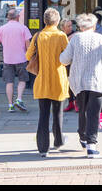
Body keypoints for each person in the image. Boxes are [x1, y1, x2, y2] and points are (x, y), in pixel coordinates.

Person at [60, 13, 102, 157]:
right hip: (98, 81)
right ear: (94, 25)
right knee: (94, 114)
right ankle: (91, 145)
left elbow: (64, 60)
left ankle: (83, 136)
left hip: (79, 82)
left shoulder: (75, 38)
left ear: (80, 26)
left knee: (83, 110)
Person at [27, 8, 70, 157]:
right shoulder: (61, 36)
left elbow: (28, 55)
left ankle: (43, 148)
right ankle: (58, 141)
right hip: (58, 79)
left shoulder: (38, 35)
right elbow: (68, 57)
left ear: (45, 21)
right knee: (58, 113)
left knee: (43, 115)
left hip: (42, 80)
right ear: (57, 21)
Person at [0, 8, 31, 112]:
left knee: (9, 82)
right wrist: (30, 58)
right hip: (21, 59)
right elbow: (28, 45)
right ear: (18, 17)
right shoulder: (23, 28)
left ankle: (10, 105)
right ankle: (19, 99)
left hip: (7, 60)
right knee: (22, 80)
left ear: (8, 17)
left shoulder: (2, 28)